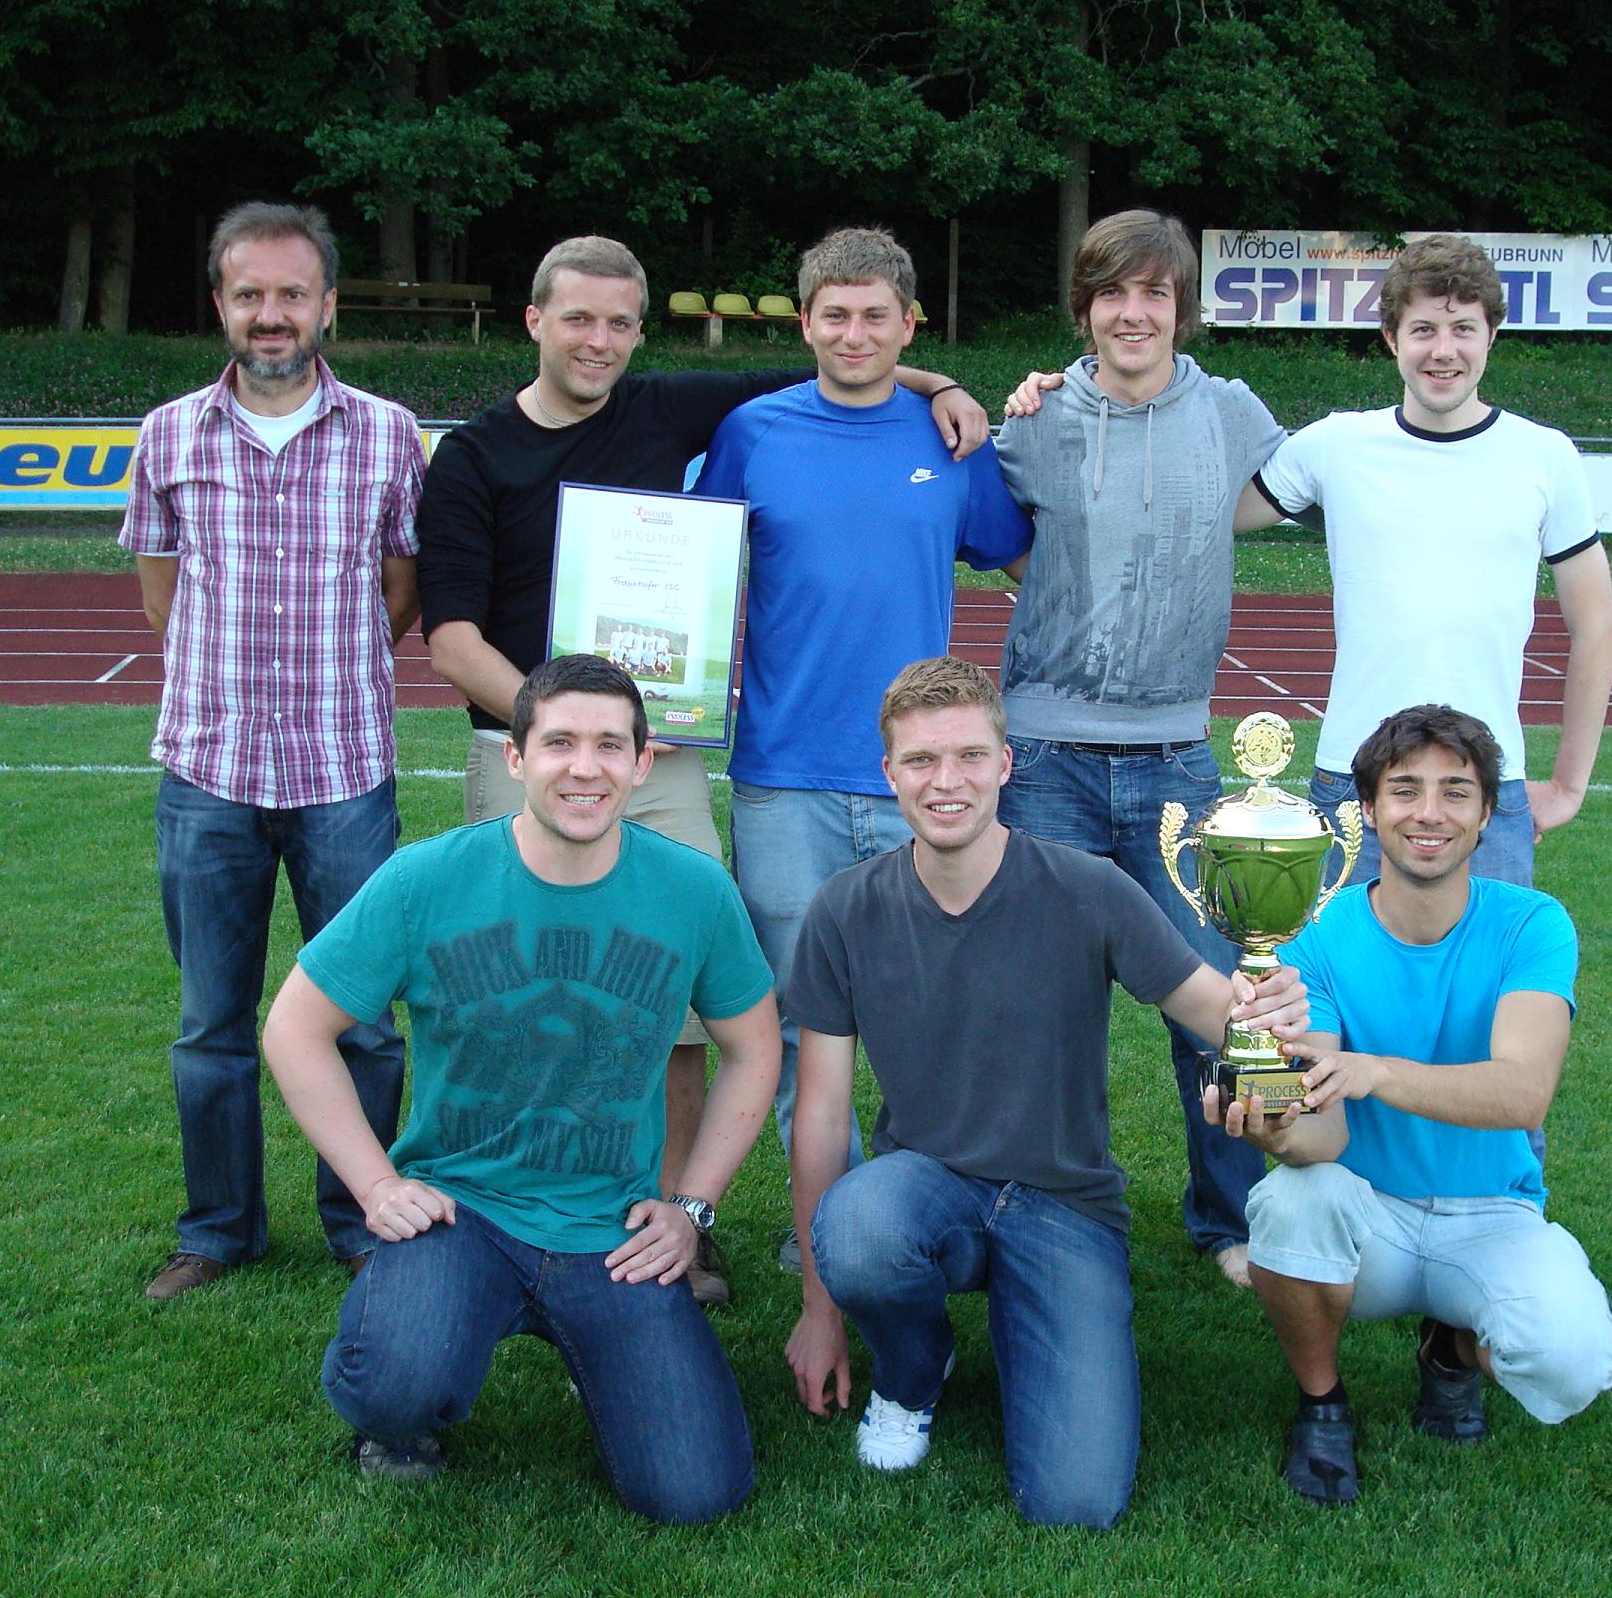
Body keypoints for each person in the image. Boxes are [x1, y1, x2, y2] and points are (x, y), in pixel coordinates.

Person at [416, 235, 988, 1306]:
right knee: (532, 991)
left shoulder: (670, 410)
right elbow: (448, 639)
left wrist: (942, 378)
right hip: (524, 754)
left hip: (656, 762)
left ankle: (678, 1212)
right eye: (577, 318)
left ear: (642, 330)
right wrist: (572, 733)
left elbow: (844, 360)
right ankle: (518, 1210)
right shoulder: (474, 456)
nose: (599, 340)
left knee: (676, 1000)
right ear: (534, 319)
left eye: (620, 323)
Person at [781, 658, 1309, 1527]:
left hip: (1066, 1203)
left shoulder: (1087, 887)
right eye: (920, 761)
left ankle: (1041, 1323)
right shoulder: (846, 909)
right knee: (861, 1228)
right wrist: (817, 1302)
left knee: (1075, 1502)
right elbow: (822, 1114)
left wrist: (1274, 1007)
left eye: (967, 757)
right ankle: (914, 1374)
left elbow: (1215, 1008)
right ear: (889, 774)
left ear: (1005, 763)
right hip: (926, 1188)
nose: (945, 782)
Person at [261, 654, 782, 1518]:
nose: (587, 768)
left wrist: (691, 1207)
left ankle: (600, 1351)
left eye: (611, 746)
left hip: (609, 1228)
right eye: (561, 743)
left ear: (644, 763)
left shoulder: (693, 889)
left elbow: (755, 1048)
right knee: (394, 1386)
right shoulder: (427, 879)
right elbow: (293, 1027)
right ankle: (402, 1390)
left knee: (696, 1492)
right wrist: (377, 1185)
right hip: (462, 1211)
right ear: (515, 757)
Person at [695, 228, 1033, 1266]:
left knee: (930, 1023)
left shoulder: (949, 436)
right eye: (833, 314)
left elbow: (1009, 545)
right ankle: (821, 1233)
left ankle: (910, 1218)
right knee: (804, 1028)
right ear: (804, 323)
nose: (853, 333)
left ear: (908, 324)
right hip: (785, 777)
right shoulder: (752, 431)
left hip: (921, 782)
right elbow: (694, 565)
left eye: (875, 315)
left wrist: (961, 400)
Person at [1207, 704, 1612, 1508]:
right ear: (1367, 810)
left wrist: (1372, 1071)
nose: (1429, 813)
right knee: (1294, 1198)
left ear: (1486, 813)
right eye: (1404, 790)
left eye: (1455, 792)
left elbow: (1522, 1091)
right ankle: (1322, 1403)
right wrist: (1275, 1122)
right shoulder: (1315, 934)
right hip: (1369, 1215)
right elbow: (1321, 1130)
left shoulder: (1534, 923)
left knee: (1572, 1360)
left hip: (1493, 1215)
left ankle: (1452, 1353)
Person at [120, 200, 423, 1302]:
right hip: (208, 775)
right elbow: (163, 597)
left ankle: (358, 1218)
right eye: (248, 293)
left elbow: (401, 587)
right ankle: (220, 1228)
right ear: (220, 305)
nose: (270, 314)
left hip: (346, 772)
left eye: (292, 293)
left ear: (328, 305)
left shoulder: (391, 434)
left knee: (365, 1021)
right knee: (212, 1022)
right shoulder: (167, 434)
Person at [991, 208, 1293, 1287]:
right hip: (1043, 759)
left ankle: (1235, 1219)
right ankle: (1034, 1201)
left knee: (1217, 996)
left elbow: (1279, 501)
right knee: (1034, 1003)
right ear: (1085, 309)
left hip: (1178, 758)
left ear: (1180, 308)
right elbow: (996, 535)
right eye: (1112, 293)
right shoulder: (1032, 418)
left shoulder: (1233, 413)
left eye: (1155, 294)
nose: (1133, 312)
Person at [1238, 232, 1612, 889]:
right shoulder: (1336, 445)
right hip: (1353, 780)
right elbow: (1206, 509)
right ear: (1391, 338)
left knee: (1484, 992)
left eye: (1463, 329)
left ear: (1491, 335)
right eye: (1423, 330)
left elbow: (1596, 628)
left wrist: (1567, 784)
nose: (1443, 351)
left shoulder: (1545, 457)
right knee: (1346, 991)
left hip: (1483, 783)